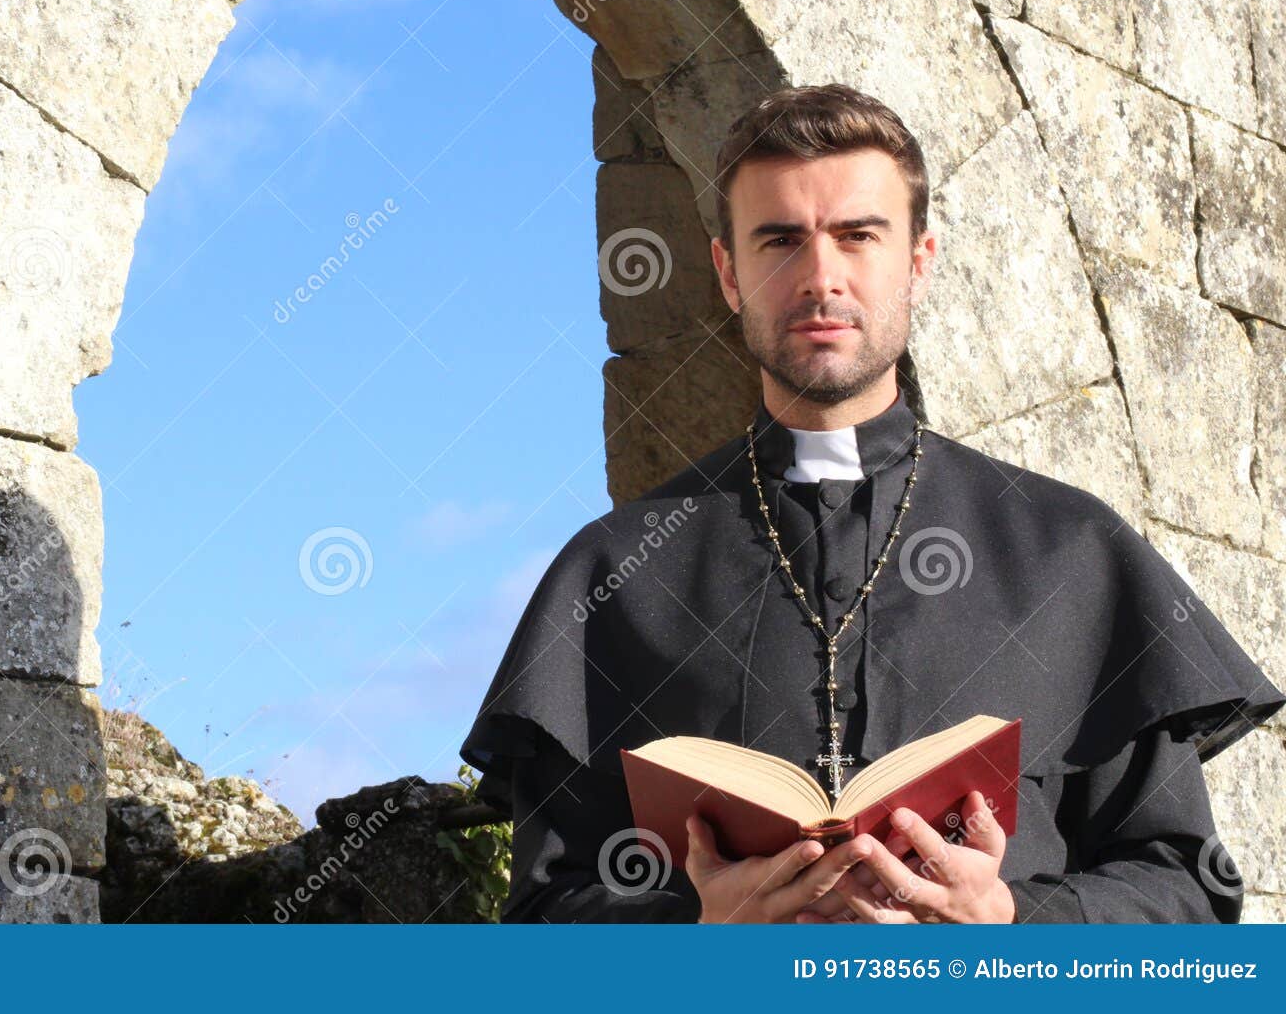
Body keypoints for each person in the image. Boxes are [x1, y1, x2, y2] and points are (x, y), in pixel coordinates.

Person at [459, 84, 1284, 923]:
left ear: (919, 260)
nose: (821, 278)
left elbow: (1188, 890)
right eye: (780, 239)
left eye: (858, 236)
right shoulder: (618, 573)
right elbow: (542, 919)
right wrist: (702, 937)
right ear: (727, 272)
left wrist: (1009, 922)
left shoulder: (1070, 551)